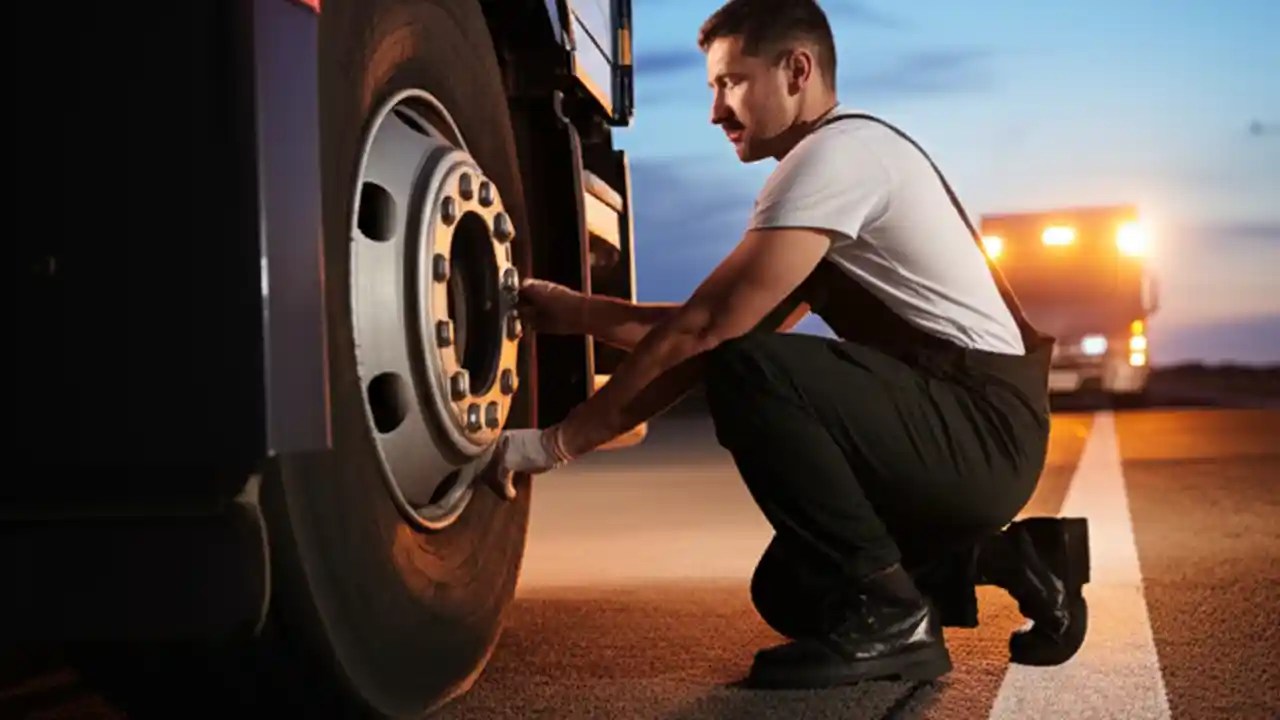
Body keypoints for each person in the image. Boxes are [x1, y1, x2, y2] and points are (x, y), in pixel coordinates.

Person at [490, 0, 1092, 689]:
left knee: (750, 371)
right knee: (793, 589)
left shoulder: (837, 157)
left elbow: (712, 336)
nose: (716, 111)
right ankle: (1017, 561)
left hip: (981, 429)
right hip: (966, 428)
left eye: (730, 82)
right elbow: (705, 325)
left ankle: (896, 622)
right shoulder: (841, 161)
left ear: (797, 70)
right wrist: (576, 313)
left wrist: (551, 445)